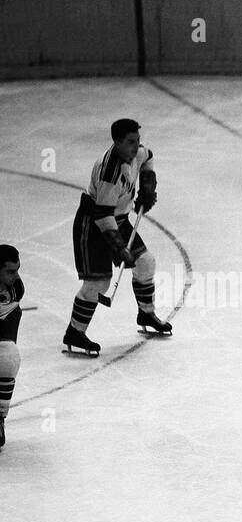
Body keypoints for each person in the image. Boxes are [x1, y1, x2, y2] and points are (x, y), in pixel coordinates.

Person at [64, 117, 170, 357]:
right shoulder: (109, 172)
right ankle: (74, 332)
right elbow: (102, 216)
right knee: (97, 284)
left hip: (117, 219)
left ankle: (146, 312)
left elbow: (148, 157)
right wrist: (120, 247)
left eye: (137, 140)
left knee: (145, 263)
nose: (136, 146)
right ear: (117, 142)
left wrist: (147, 186)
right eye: (131, 142)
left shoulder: (137, 153)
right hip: (93, 225)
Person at [0, 244, 23, 448]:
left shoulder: (15, 288)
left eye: (17, 270)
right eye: (10, 271)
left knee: (8, 357)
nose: (16, 276)